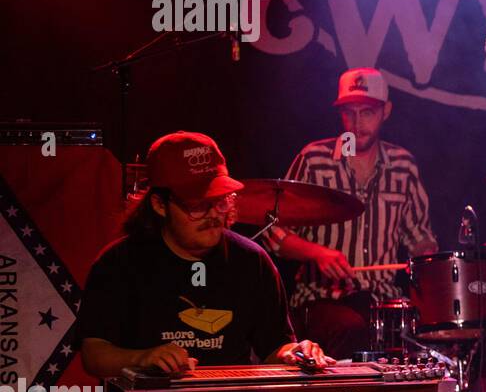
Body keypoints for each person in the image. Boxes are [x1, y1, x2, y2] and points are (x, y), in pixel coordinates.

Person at [77, 131, 330, 376]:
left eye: (220, 201)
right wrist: (141, 358)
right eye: (197, 206)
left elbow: (274, 347)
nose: (212, 215)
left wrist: (294, 353)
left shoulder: (252, 261)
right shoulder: (119, 263)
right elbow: (94, 353)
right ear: (159, 205)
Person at [268, 67, 437, 359]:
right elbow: (275, 232)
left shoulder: (402, 165)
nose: (357, 124)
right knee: (352, 328)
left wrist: (429, 260)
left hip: (384, 302)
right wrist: (317, 254)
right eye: (350, 113)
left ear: (386, 112)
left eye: (367, 113)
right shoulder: (314, 159)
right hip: (322, 299)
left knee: (427, 335)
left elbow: (420, 239)